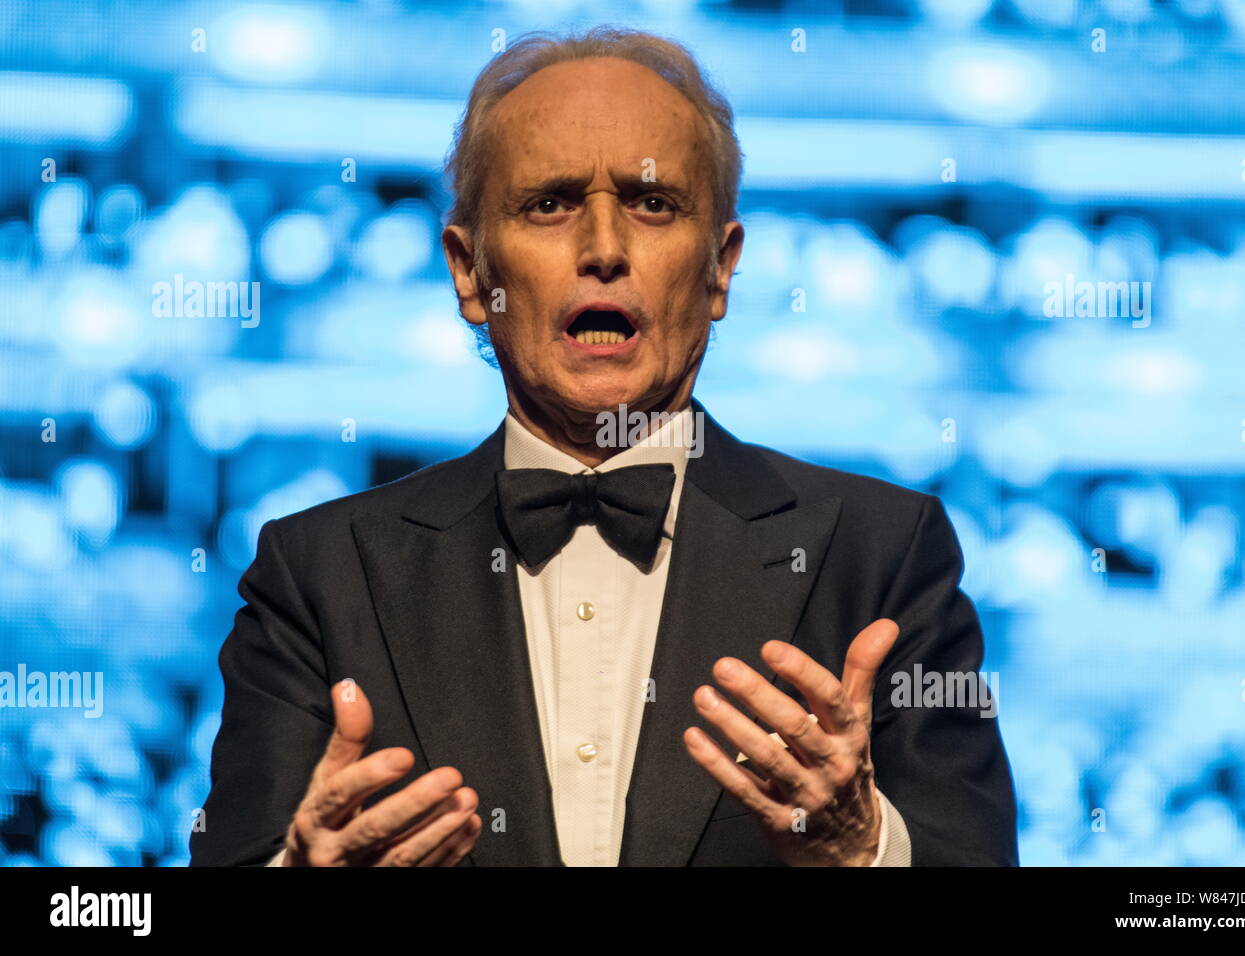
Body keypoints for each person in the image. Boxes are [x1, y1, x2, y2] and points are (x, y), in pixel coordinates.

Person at [190, 26, 1017, 868]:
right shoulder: (319, 573)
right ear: (471, 273)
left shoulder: (883, 557)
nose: (604, 251)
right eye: (548, 204)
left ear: (721, 267)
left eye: (653, 204)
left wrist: (863, 848)